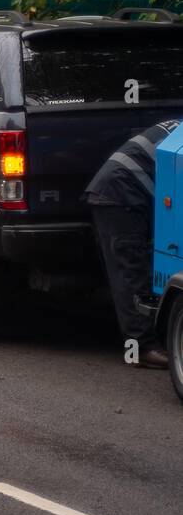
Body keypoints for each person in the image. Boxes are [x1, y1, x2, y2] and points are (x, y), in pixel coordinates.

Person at [84, 120, 180, 369]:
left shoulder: (178, 127)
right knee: (131, 270)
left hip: (119, 190)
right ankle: (142, 347)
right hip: (119, 195)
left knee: (135, 267)